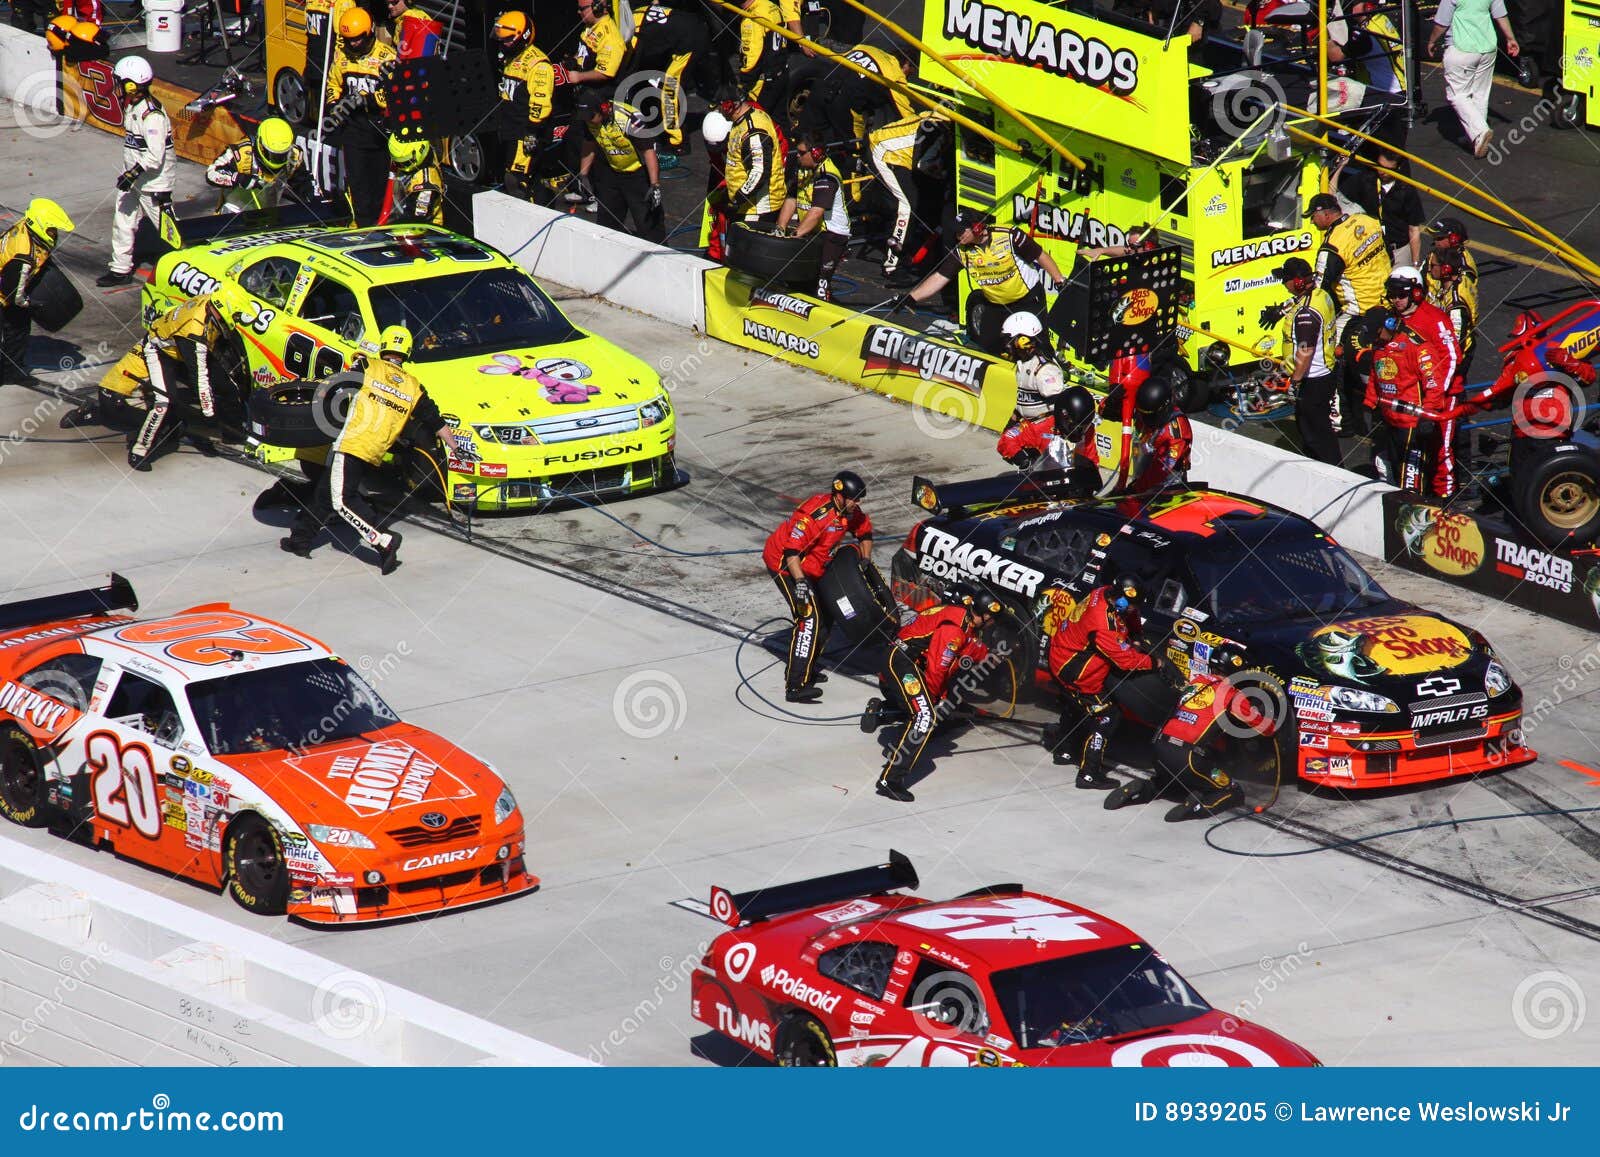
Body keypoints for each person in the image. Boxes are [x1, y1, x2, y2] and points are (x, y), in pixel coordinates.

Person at [281, 325, 456, 574]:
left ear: (384, 346)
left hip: (352, 442)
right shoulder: (414, 387)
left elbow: (335, 390)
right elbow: (435, 422)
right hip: (374, 451)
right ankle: (300, 539)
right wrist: (455, 447)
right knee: (327, 491)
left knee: (341, 501)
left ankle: (383, 541)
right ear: (406, 352)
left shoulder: (367, 366)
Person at [1106, 645, 1269, 821]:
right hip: (1188, 757)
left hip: (1159, 748)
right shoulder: (1232, 695)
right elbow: (1265, 728)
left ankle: (1145, 787)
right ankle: (1196, 808)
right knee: (1232, 791)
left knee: (1173, 783)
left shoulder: (1196, 681)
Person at [864, 591, 998, 803]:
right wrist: (934, 699)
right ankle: (890, 781)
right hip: (900, 660)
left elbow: (965, 652)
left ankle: (885, 720)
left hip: (903, 658)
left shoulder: (962, 618)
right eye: (992, 621)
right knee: (925, 716)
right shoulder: (954, 630)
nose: (991, 625)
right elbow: (938, 668)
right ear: (985, 616)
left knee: (922, 711)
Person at [761, 470, 873, 703]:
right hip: (785, 564)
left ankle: (807, 668)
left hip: (815, 566)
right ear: (839, 495)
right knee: (809, 619)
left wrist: (865, 560)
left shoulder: (850, 511)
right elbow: (791, 552)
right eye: (855, 498)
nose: (858, 503)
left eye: (860, 499)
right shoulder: (813, 516)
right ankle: (795, 685)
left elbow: (865, 532)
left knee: (827, 616)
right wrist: (800, 583)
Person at [896, 209, 1066, 356]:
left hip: (1028, 299)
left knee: (1036, 344)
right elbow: (940, 277)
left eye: (961, 231)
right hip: (995, 304)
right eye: (955, 232)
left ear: (977, 227)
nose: (957, 235)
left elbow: (1040, 255)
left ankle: (1051, 376)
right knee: (987, 345)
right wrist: (911, 298)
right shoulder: (962, 251)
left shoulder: (1009, 235)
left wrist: (1059, 280)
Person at [128, 284, 255, 471]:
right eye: (233, 316)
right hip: (160, 351)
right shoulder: (195, 331)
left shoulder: (213, 302)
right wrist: (209, 412)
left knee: (229, 386)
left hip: (184, 344)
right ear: (221, 311)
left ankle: (233, 432)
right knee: (163, 403)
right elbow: (199, 376)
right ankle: (138, 450)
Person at [1046, 575, 1155, 788]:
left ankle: (1064, 750)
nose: (1135, 610)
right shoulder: (1102, 622)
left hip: (1061, 653)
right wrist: (1153, 662)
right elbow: (1125, 661)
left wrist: (1136, 634)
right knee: (1107, 715)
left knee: (1075, 703)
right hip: (1072, 668)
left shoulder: (1106, 591)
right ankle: (1089, 774)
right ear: (1122, 602)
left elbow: (1130, 616)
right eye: (1133, 606)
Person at [1364, 269, 1456, 494]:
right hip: (1400, 407)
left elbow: (1452, 358)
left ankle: (1447, 499)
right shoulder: (1390, 322)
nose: (1395, 300)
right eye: (1391, 294)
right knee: (1400, 463)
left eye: (1400, 294)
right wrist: (1371, 402)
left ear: (1415, 293)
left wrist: (1430, 406)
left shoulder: (1434, 319)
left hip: (1437, 397)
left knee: (1441, 452)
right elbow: (1380, 368)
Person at [1307, 191, 1392, 434]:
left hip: (1357, 313)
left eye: (1313, 217)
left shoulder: (1331, 246)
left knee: (1328, 358)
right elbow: (1390, 251)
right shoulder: (1367, 220)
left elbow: (1318, 290)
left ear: (1324, 214)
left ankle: (1340, 419)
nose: (1312, 222)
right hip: (1388, 304)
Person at [97, 57, 175, 288]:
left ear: (132, 85)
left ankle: (190, 266)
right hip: (133, 179)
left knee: (170, 231)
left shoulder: (152, 116)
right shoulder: (132, 107)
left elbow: (155, 156)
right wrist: (129, 175)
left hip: (154, 184)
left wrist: (132, 173)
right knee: (122, 221)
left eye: (121, 83)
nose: (118, 87)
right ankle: (120, 269)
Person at [1262, 256, 1341, 464]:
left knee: (1316, 433)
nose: (1282, 283)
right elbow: (1300, 301)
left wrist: (1295, 383)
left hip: (1312, 379)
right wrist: (1281, 310)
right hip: (1325, 373)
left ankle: (1333, 471)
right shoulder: (1320, 294)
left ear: (1297, 282)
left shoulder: (1306, 313)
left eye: (1285, 279)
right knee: (1315, 428)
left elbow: (1305, 352)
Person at [324, 7, 397, 226]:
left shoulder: (387, 57)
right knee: (358, 186)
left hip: (380, 133)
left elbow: (395, 93)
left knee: (380, 187)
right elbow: (333, 84)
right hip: (353, 133)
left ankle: (381, 226)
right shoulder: (341, 57)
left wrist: (367, 100)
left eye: (357, 39)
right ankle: (362, 227)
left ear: (369, 33)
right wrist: (333, 104)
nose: (353, 44)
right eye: (348, 40)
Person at [1427, 0, 1520, 156]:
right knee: (1480, 94)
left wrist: (1431, 41)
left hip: (1462, 49)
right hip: (1488, 48)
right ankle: (1475, 140)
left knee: (1457, 95)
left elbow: (1441, 23)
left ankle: (1480, 131)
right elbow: (1500, 14)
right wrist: (1510, 38)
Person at [0, 199, 74, 390]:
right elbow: (13, 293)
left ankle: (11, 371)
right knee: (16, 326)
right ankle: (8, 372)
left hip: (7, 284)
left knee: (18, 329)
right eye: (51, 230)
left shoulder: (25, 228)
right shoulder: (25, 254)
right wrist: (30, 303)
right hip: (6, 292)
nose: (54, 234)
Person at [575, 90, 665, 242]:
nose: (588, 121)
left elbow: (648, 152)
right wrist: (583, 175)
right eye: (584, 117)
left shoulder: (629, 120)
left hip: (638, 174)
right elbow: (589, 145)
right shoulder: (589, 122)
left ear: (604, 108)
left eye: (590, 116)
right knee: (606, 223)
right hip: (611, 171)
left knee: (648, 225)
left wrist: (655, 185)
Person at [868, 111, 944, 281]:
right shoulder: (939, 130)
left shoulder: (940, 116)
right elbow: (922, 164)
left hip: (894, 148)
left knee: (923, 198)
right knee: (907, 205)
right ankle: (891, 264)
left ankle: (913, 247)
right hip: (884, 153)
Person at [492, 10, 558, 201]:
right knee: (527, 179)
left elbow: (541, 103)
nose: (502, 43)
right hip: (509, 129)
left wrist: (531, 132)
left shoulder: (539, 65)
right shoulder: (509, 57)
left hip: (526, 133)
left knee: (516, 180)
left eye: (507, 39)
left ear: (523, 36)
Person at [1327, 0, 1410, 148]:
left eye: (1352, 5)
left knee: (1386, 153)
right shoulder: (1380, 19)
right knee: (1393, 151)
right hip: (1400, 89)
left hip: (1384, 96)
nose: (1348, 10)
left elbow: (1335, 56)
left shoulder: (1364, 34)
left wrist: (1325, 36)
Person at [775, 133, 847, 300]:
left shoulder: (827, 176)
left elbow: (816, 212)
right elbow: (791, 198)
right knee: (799, 279)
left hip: (832, 234)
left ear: (815, 153)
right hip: (811, 229)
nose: (797, 156)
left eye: (801, 153)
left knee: (821, 285)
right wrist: (780, 228)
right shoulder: (802, 169)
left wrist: (794, 237)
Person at [997, 385, 1101, 493]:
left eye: (1085, 426)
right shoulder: (1042, 426)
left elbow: (1092, 460)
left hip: (1070, 489)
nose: (1081, 432)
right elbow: (1007, 438)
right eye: (1076, 426)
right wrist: (1022, 459)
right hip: (1039, 488)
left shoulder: (1088, 432)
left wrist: (1089, 482)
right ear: (1063, 416)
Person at [1332, 149, 1425, 267]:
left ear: (1398, 168)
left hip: (1398, 250)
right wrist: (1340, 167)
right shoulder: (1365, 180)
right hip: (1371, 249)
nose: (1381, 172)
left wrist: (1415, 263)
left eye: (1387, 169)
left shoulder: (1407, 189)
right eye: (1379, 166)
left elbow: (1414, 229)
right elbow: (1332, 196)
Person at [205, 117, 312, 214]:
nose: (278, 159)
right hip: (233, 215)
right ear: (260, 145)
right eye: (273, 154)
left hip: (267, 218)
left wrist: (315, 199)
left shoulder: (295, 155)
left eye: (283, 154)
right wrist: (240, 179)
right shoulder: (241, 153)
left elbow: (303, 182)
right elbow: (211, 173)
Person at [722, 90, 788, 226]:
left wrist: (737, 199)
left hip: (757, 208)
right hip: (748, 205)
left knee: (747, 247)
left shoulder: (754, 131)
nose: (719, 112)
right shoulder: (743, 120)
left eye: (720, 108)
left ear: (729, 106)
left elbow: (759, 172)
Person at [1127, 373, 1192, 491]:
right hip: (1141, 475)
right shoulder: (1144, 410)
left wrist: (1137, 489)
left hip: (1168, 485)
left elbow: (1162, 468)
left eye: (1150, 415)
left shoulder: (1176, 432)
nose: (1145, 419)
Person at [736, 0, 790, 113]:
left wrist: (743, 84)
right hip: (783, 72)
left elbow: (752, 59)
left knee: (756, 119)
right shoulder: (772, 6)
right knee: (780, 122)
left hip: (764, 83)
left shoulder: (752, 17)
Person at [567, 0, 630, 91]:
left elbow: (604, 73)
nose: (579, 12)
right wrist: (574, 59)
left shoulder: (610, 38)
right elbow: (584, 49)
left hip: (599, 93)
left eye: (582, 9)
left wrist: (579, 77)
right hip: (583, 84)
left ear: (597, 8)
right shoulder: (590, 25)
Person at [382, 137, 445, 224]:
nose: (398, 166)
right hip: (398, 209)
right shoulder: (422, 143)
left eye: (403, 163)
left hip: (423, 230)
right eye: (396, 162)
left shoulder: (426, 187)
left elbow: (416, 221)